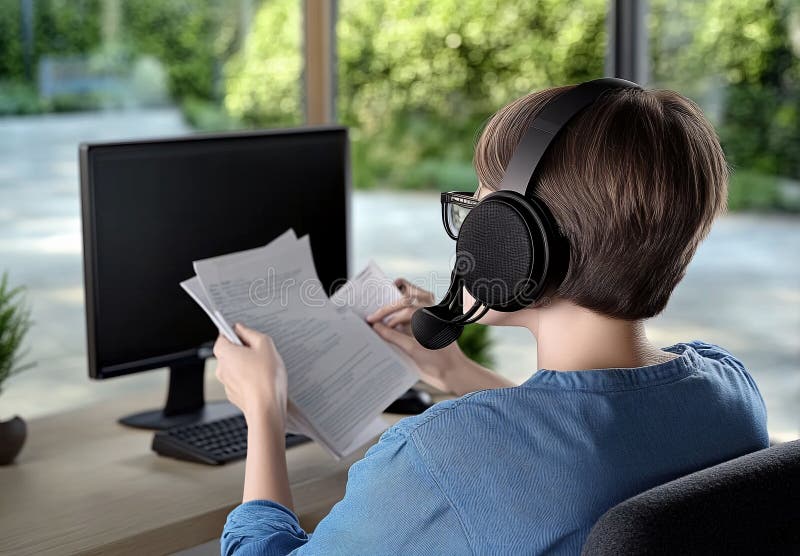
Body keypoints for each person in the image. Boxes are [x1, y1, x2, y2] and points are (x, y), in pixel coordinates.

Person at [214, 83, 768, 555]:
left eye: (479, 207)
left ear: (515, 242)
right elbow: (582, 442)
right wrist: (458, 375)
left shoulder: (439, 459)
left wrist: (263, 410)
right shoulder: (730, 390)